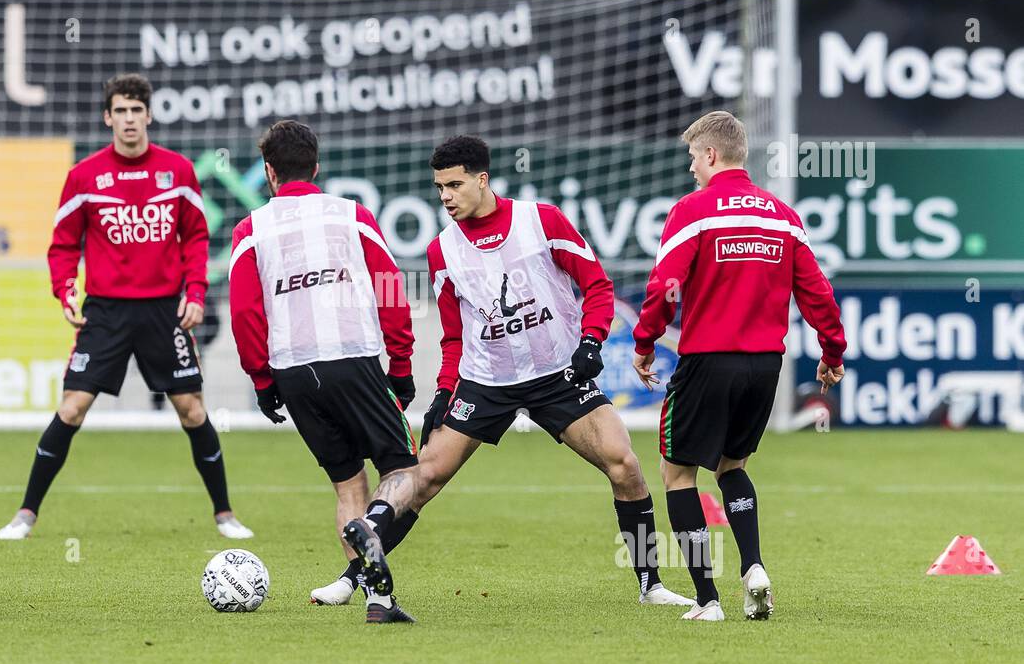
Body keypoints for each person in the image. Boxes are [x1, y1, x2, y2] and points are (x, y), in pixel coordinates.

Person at [351, 135, 694, 612]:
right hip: (486, 380)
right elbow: (454, 337)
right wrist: (442, 394)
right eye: (438, 188)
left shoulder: (542, 221)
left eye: (454, 184)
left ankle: (650, 584)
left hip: (556, 374)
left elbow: (596, 286)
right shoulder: (441, 252)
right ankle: (354, 575)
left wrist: (592, 341)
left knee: (625, 465)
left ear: (482, 179)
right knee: (425, 476)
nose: (445, 196)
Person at [0, 74, 251, 541]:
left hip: (162, 311)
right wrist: (65, 289)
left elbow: (195, 237)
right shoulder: (85, 176)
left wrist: (195, 293)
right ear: (107, 117)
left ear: (148, 115)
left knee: (192, 410)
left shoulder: (177, 171)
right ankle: (25, 514)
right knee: (72, 407)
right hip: (106, 313)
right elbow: (63, 245)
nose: (130, 119)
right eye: (121, 110)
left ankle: (225, 514)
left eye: (137, 110)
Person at [632, 111, 847, 621]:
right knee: (733, 467)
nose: (691, 169)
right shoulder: (783, 215)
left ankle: (708, 599)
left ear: (710, 154)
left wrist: (645, 340)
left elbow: (666, 284)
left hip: (708, 359)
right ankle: (753, 567)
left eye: (693, 158)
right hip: (765, 365)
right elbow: (817, 291)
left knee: (677, 472)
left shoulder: (694, 210)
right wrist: (832, 352)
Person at [228, 120, 419, 623]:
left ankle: (379, 599)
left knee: (347, 484)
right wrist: (401, 363)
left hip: (293, 371)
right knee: (403, 471)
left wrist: (262, 380)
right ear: (316, 166)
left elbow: (245, 312)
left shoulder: (251, 228)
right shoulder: (351, 215)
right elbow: (390, 286)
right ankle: (374, 560)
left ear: (269, 172)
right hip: (352, 357)